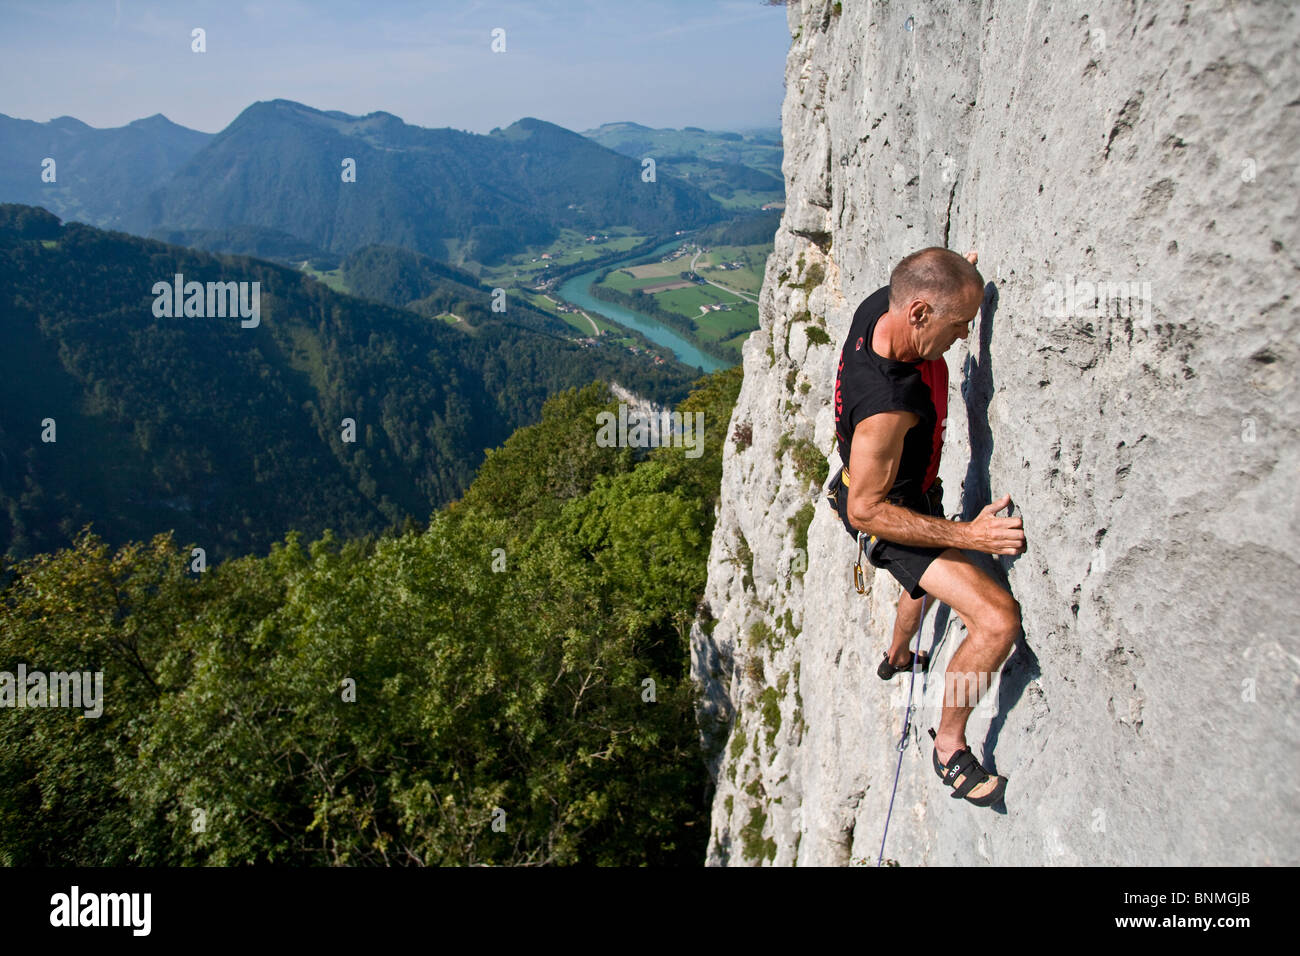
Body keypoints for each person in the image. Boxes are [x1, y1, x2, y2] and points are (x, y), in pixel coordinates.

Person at [825, 247, 1026, 808]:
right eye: (959, 325)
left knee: (920, 590)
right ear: (919, 315)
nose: (964, 337)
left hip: (909, 488)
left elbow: (924, 281)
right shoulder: (889, 402)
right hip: (889, 516)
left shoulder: (881, 310)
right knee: (994, 619)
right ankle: (949, 746)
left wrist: (956, 279)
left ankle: (896, 657)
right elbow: (866, 511)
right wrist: (970, 537)